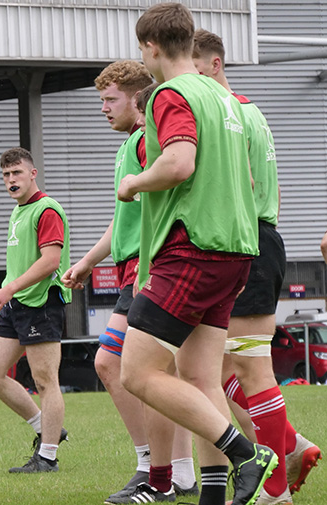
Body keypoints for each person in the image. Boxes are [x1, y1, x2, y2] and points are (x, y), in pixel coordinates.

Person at [117, 4, 276, 505]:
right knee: (201, 380)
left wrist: (134, 183)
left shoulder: (171, 93)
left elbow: (179, 162)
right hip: (236, 251)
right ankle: (213, 497)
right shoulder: (224, 99)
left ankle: (246, 453)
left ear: (150, 47)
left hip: (190, 249)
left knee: (137, 373)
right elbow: (246, 180)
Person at [194, 28, 322, 504]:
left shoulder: (225, 114)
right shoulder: (253, 112)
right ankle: (289, 444)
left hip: (243, 242)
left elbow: (243, 181)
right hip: (260, 239)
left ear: (213, 64)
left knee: (247, 369)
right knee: (212, 367)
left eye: (192, 68)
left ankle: (274, 489)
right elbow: (275, 188)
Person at [63, 62, 197, 503]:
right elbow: (123, 219)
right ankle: (183, 474)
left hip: (148, 269)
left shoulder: (146, 143)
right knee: (170, 373)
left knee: (109, 362)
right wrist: (85, 263)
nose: (102, 108)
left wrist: (148, 265)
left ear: (137, 100)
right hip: (134, 268)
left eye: (109, 100)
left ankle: (148, 465)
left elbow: (159, 211)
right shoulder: (130, 146)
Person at [0, 147, 69, 474]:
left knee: (46, 381)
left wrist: (9, 288)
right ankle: (48, 430)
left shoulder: (46, 209)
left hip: (41, 302)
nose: (11, 180)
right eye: (5, 175)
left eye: (17, 173)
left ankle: (47, 458)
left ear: (33, 173)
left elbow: (50, 261)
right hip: (17, 304)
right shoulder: (19, 211)